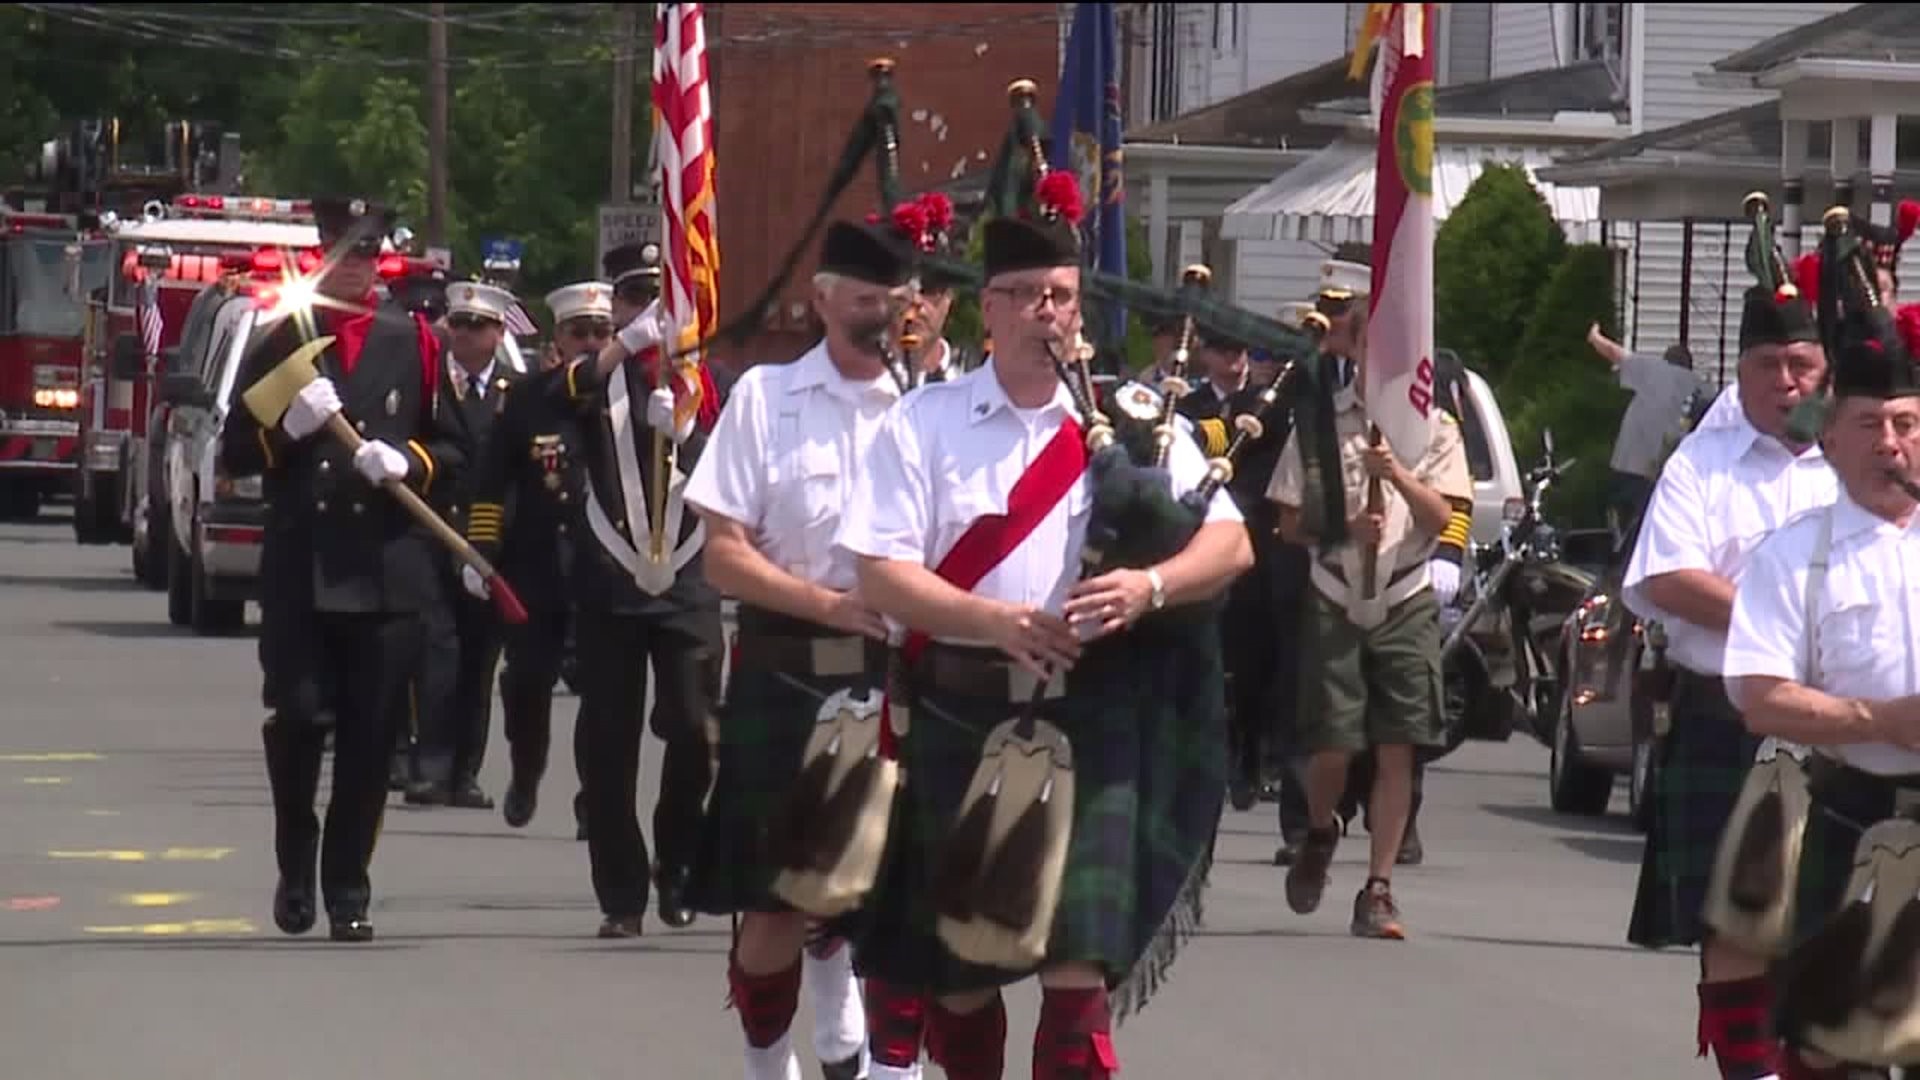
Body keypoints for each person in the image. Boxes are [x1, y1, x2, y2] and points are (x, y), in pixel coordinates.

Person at [837, 185, 1253, 1077]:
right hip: (958, 714)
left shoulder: (1143, 426)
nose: (1047, 313)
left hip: (1094, 721)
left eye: (1061, 295)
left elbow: (1231, 545)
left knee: (1077, 999)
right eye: (1026, 294)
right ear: (988, 309)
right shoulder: (928, 424)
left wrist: (1149, 584)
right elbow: (879, 572)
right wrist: (995, 621)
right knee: (961, 986)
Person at [681, 220, 913, 1080]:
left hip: (899, 677)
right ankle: (765, 1059)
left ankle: (883, 1054)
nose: (880, 311)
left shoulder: (929, 404)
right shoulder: (766, 399)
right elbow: (724, 553)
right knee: (776, 898)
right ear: (820, 299)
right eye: (861, 295)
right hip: (788, 670)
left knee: (888, 890)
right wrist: (831, 606)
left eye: (892, 298)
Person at [219, 195, 469, 942]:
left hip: (388, 572)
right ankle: (295, 867)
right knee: (298, 722)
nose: (356, 264)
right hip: (305, 568)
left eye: (367, 251)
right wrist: (286, 434)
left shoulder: (415, 341)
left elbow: (458, 453)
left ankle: (347, 885)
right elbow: (234, 451)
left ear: (382, 256)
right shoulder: (281, 336)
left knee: (370, 738)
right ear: (322, 251)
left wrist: (408, 460)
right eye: (343, 249)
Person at [1621, 233, 1835, 1080]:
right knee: (1738, 929)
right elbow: (1670, 578)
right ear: (1742, 372)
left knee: (1832, 929)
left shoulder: (1860, 463)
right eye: (1770, 365)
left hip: (1846, 729)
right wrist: (1782, 617)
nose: (1789, 382)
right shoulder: (1701, 466)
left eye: (1803, 364)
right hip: (1731, 717)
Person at [1721, 217, 1920, 1080]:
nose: (1891, 444)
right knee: (1834, 1060)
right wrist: (1883, 719)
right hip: (1847, 815)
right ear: (1830, 440)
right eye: (1870, 424)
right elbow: (1759, 694)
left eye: (1908, 424)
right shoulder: (1791, 555)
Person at [1267, 254, 1471, 940]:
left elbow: (1443, 517)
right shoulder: (1320, 424)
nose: (1376, 354)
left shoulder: (1433, 430)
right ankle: (1321, 830)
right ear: (1350, 347)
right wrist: (1345, 525)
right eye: (1365, 340)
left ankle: (1378, 886)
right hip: (1335, 592)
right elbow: (1288, 521)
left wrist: (1397, 475)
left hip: (1405, 593)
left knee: (1397, 746)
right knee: (1333, 744)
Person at [543, 240, 723, 937]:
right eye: (635, 298)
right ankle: (620, 892)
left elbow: (744, 462)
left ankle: (677, 863)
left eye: (662, 296)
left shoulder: (715, 377)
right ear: (615, 306)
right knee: (608, 744)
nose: (650, 310)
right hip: (610, 580)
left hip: (689, 576)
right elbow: (539, 411)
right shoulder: (591, 378)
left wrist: (691, 433)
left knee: (696, 728)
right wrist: (617, 354)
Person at [460, 283, 598, 836]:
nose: (589, 342)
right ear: (558, 338)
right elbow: (491, 481)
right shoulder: (527, 398)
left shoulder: (627, 397)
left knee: (605, 694)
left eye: (600, 332)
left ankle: (597, 800)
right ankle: (526, 769)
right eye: (578, 332)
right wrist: (482, 553)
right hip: (536, 567)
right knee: (526, 685)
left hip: (602, 572)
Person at [407, 280, 520, 810]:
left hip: (489, 540)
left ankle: (466, 772)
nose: (466, 334)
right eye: (459, 323)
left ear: (499, 334)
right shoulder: (427, 386)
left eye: (478, 325)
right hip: (432, 534)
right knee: (436, 653)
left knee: (479, 660)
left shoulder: (519, 392)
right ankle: (428, 767)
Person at [1584, 325, 1712, 536]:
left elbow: (1615, 353)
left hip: (1631, 467)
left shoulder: (1653, 370)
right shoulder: (1702, 388)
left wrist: (1595, 337)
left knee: (1623, 526)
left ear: (1665, 360)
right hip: (1672, 474)